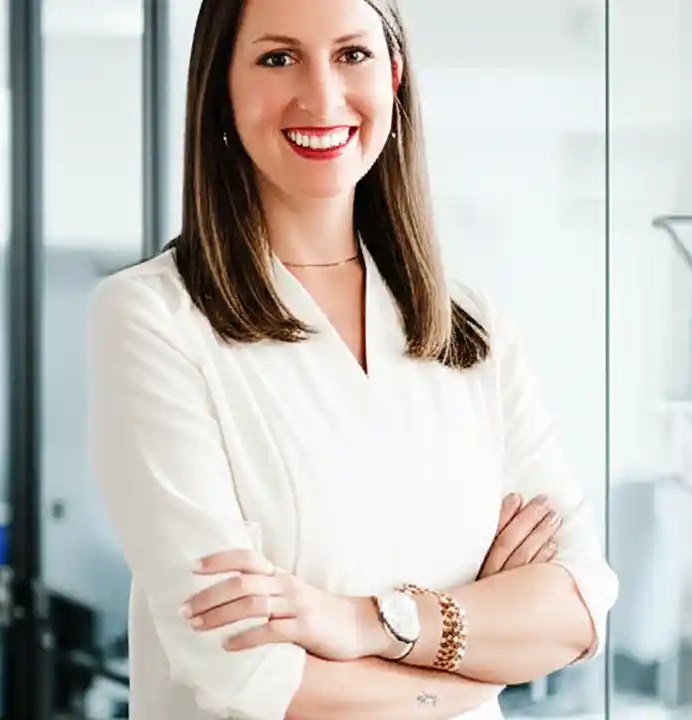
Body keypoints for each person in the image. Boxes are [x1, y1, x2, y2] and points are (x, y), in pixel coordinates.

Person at [85, 0, 618, 718]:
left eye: (352, 55)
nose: (322, 95)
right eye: (278, 58)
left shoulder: (473, 330)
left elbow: (579, 604)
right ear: (222, 86)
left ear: (394, 77)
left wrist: (362, 623)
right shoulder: (154, 319)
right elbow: (245, 673)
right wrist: (472, 674)